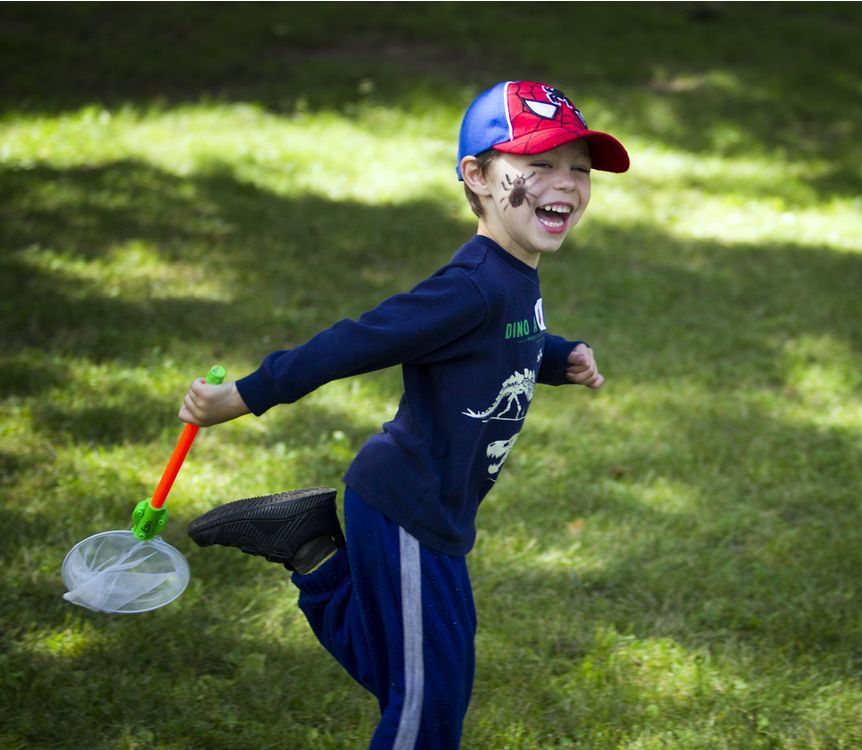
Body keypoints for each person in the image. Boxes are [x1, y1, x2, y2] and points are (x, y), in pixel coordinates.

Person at [180, 80, 629, 749]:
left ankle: (308, 548)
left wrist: (558, 356)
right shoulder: (470, 286)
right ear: (477, 177)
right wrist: (244, 395)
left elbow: (507, 338)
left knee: (418, 677)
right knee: (427, 705)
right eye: (537, 166)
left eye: (578, 170)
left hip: (437, 510)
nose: (564, 183)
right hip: (407, 509)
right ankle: (312, 554)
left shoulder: (510, 275)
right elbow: (353, 341)